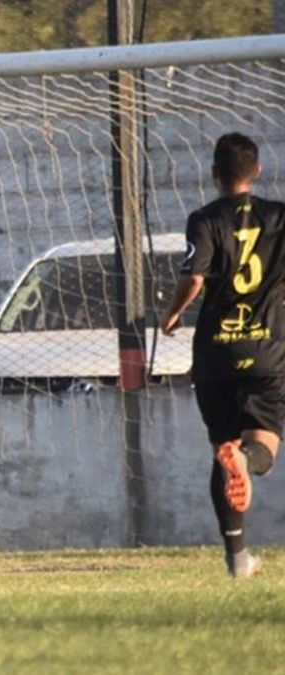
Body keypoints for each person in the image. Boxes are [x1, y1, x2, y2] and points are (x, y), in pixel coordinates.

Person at [162, 132, 285, 579]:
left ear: (215, 174)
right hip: (267, 350)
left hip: (215, 354)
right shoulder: (279, 217)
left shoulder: (204, 219)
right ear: (258, 171)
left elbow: (194, 279)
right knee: (261, 446)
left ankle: (238, 559)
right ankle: (246, 462)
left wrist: (173, 314)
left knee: (222, 449)